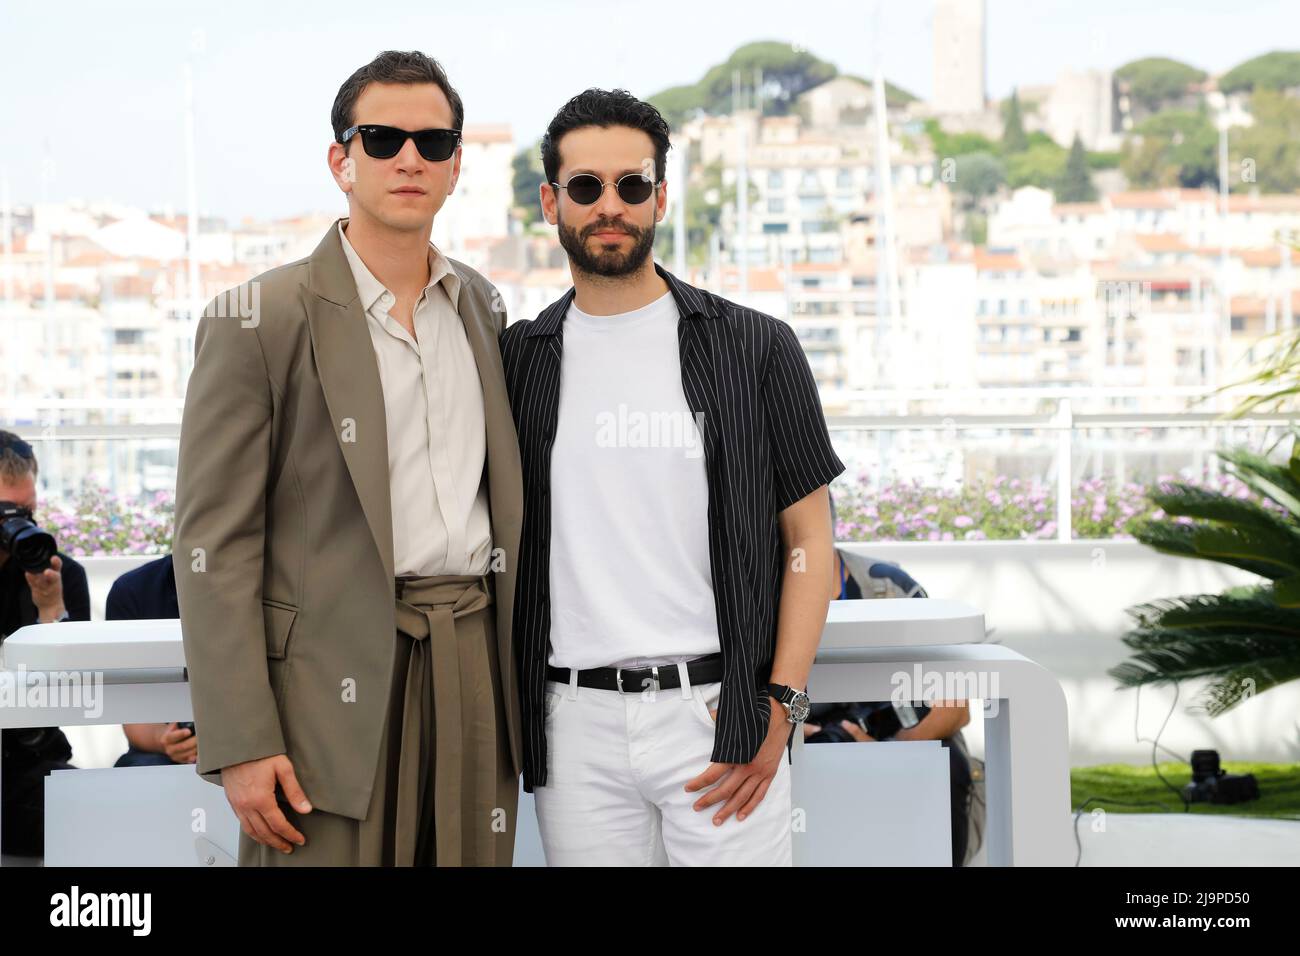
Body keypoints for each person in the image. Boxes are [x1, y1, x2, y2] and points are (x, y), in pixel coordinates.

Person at [172, 50, 523, 866]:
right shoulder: (257, 318)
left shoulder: (483, 306)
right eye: (383, 137)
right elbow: (213, 546)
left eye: (434, 143)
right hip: (321, 694)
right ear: (342, 159)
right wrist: (240, 739)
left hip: (471, 671)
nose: (410, 158)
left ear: (456, 165)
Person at [500, 89, 845, 866]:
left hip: (718, 712)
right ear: (553, 202)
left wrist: (781, 704)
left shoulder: (755, 346)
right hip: (570, 722)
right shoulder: (520, 359)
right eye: (585, 187)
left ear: (660, 195)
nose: (609, 205)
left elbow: (810, 539)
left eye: (632, 185)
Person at [0, 431, 91, 857]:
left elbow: (78, 694)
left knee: (87, 815)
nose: (17, 527)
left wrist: (50, 610)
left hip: (31, 763)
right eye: (5, 515)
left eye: (26, 512)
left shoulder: (59, 574)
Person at [105, 554, 196, 768]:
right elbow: (132, 715)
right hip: (164, 751)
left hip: (256, 746)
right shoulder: (133, 590)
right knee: (136, 767)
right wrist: (166, 740)